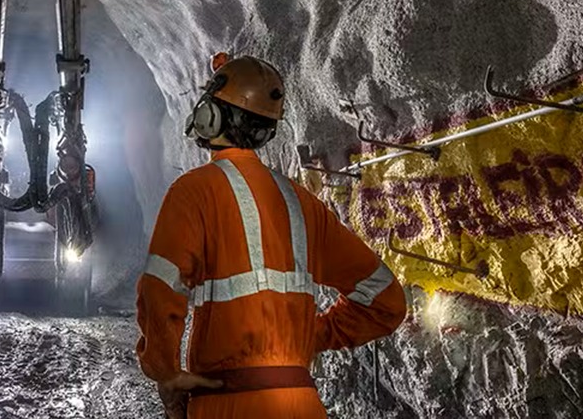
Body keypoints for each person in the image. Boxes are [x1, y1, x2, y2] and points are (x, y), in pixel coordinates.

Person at [136, 52, 406, 418]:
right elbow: (386, 301)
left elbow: (160, 292)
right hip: (302, 404)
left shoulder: (193, 191)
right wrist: (311, 335)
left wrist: (166, 374)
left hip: (226, 403)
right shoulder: (303, 204)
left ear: (210, 117)